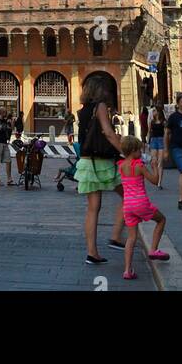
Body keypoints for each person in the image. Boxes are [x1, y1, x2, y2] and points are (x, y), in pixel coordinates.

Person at [74, 71, 125, 265]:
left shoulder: (83, 110)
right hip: (102, 162)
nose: (107, 91)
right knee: (129, 194)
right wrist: (125, 151)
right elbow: (108, 133)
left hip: (87, 161)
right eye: (105, 88)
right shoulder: (100, 106)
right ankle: (116, 236)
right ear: (99, 90)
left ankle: (92, 252)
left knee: (93, 209)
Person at [117, 136, 170, 280]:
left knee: (131, 237)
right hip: (141, 203)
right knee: (161, 220)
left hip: (128, 206)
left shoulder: (121, 166)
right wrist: (155, 167)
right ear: (133, 151)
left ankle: (127, 270)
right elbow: (155, 181)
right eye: (139, 150)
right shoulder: (139, 166)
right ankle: (153, 249)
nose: (141, 152)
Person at [147, 101, 167, 189]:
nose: (153, 112)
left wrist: (166, 146)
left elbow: (166, 134)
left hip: (161, 140)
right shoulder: (152, 122)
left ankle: (159, 183)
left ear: (158, 112)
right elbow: (149, 132)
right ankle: (156, 176)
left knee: (160, 163)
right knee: (153, 162)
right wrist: (148, 142)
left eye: (154, 111)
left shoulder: (164, 122)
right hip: (154, 141)